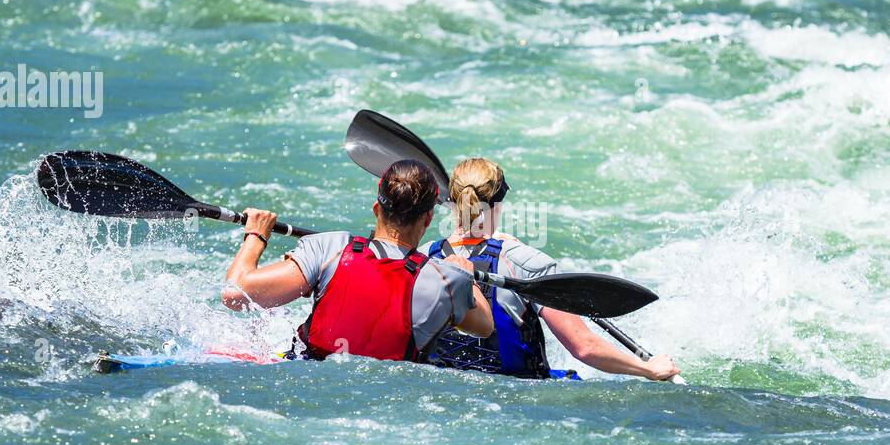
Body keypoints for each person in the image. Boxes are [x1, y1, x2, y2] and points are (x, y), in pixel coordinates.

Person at [422, 157, 681, 381]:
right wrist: (647, 368)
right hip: (517, 397)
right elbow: (584, 347)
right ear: (499, 203)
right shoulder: (524, 262)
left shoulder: (423, 258)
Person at [222, 159, 493, 362]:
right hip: (389, 399)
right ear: (428, 219)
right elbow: (484, 327)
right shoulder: (447, 280)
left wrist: (256, 234)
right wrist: (466, 276)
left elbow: (235, 294)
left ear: (377, 209)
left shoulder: (330, 249)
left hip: (306, 373)